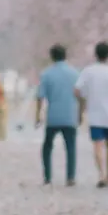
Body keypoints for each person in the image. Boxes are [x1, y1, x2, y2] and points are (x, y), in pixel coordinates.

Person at [74, 41, 108, 188]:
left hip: (95, 115)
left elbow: (77, 90)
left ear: (95, 54)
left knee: (97, 145)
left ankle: (101, 174)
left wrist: (83, 103)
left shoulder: (88, 71)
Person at [34, 44, 80, 186]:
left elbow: (40, 97)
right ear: (65, 56)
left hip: (53, 116)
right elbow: (80, 95)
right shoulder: (75, 73)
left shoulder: (47, 74)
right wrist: (81, 113)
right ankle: (70, 176)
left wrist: (38, 115)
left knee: (47, 146)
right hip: (69, 115)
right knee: (70, 147)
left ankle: (47, 176)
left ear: (52, 56)